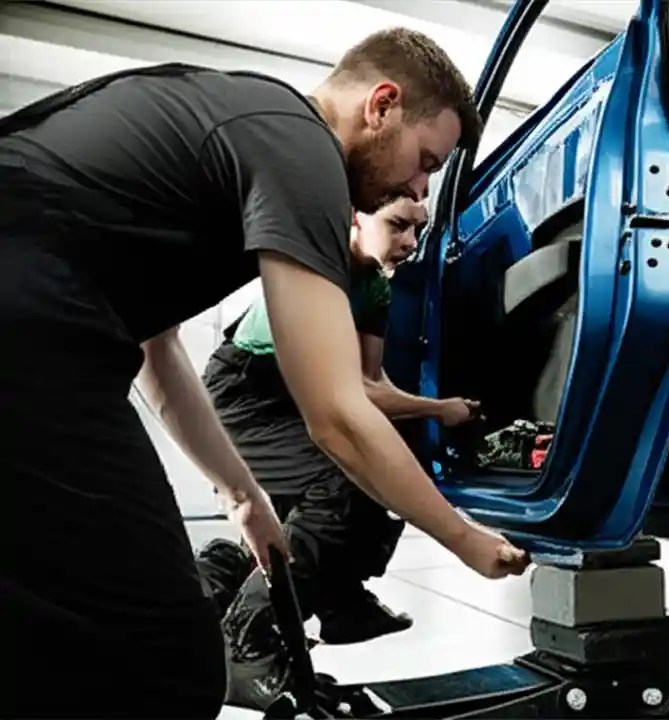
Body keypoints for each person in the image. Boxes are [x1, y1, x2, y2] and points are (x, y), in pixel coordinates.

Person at [0, 27, 529, 719]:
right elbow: (337, 413)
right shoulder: (300, 145)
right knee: (163, 657)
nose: (419, 188)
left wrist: (244, 496)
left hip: (40, 317)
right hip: (29, 322)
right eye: (425, 160)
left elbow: (160, 353)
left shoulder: (239, 123)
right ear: (382, 104)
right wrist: (466, 540)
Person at [196, 197, 478, 651]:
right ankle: (251, 630)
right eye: (398, 225)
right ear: (355, 217)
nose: (409, 242)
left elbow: (371, 380)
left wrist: (429, 411)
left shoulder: (376, 288)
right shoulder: (316, 272)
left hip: (291, 394)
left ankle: (341, 604)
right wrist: (439, 409)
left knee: (390, 465)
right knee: (341, 484)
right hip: (244, 395)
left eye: (417, 232)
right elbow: (354, 390)